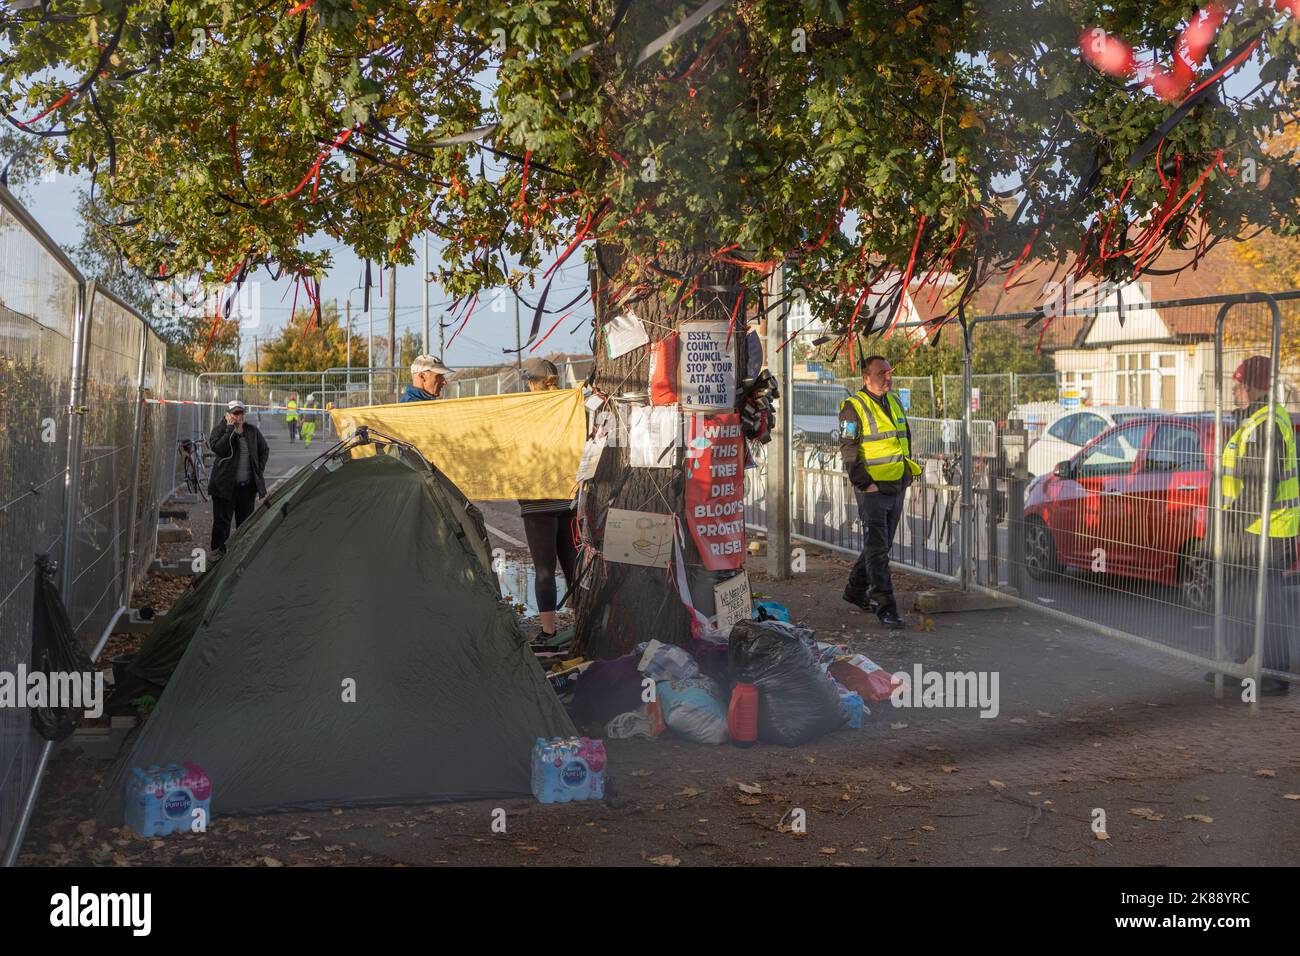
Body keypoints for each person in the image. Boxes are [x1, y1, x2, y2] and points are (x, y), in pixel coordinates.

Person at [1213, 355, 1297, 696]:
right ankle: (1245, 666)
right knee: (1247, 601)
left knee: (1266, 604)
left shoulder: (1266, 424)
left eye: (1238, 384)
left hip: (1266, 528)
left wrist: (1230, 520)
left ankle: (1272, 675)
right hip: (1257, 527)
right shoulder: (1256, 420)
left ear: (1250, 387)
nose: (1233, 390)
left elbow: (1262, 486)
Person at [839, 355, 922, 629]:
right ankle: (886, 606)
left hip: (896, 485)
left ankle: (854, 590)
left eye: (889, 371)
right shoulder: (853, 407)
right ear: (866, 378)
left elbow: (903, 439)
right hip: (872, 489)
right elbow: (849, 450)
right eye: (881, 373)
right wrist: (865, 484)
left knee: (881, 546)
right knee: (878, 550)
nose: (887, 377)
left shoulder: (894, 401)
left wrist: (907, 475)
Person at [516, 358, 578, 644]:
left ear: (530, 382)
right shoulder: (568, 409)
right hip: (567, 499)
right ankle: (584, 620)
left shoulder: (523, 412)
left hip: (536, 501)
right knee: (572, 565)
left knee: (544, 569)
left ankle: (548, 632)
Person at [208, 399, 269, 551]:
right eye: (235, 413)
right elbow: (218, 448)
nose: (238, 416)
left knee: (245, 527)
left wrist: (258, 471)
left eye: (241, 413)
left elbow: (264, 450)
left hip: (246, 489)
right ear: (228, 415)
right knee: (222, 527)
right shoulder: (220, 430)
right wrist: (230, 430)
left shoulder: (252, 431)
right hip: (224, 488)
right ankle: (217, 560)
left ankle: (239, 558)